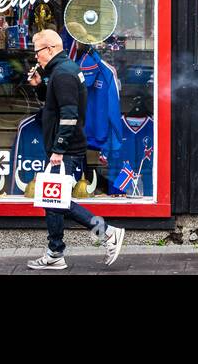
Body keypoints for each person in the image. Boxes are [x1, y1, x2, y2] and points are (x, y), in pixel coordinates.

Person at [25, 29, 125, 270]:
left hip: (65, 150)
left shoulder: (64, 74)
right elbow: (57, 106)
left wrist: (59, 149)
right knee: (52, 200)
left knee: (56, 200)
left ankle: (107, 232)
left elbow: (70, 116)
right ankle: (55, 252)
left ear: (50, 49)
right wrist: (39, 86)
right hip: (63, 148)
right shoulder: (62, 71)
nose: (35, 57)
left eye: (37, 51)